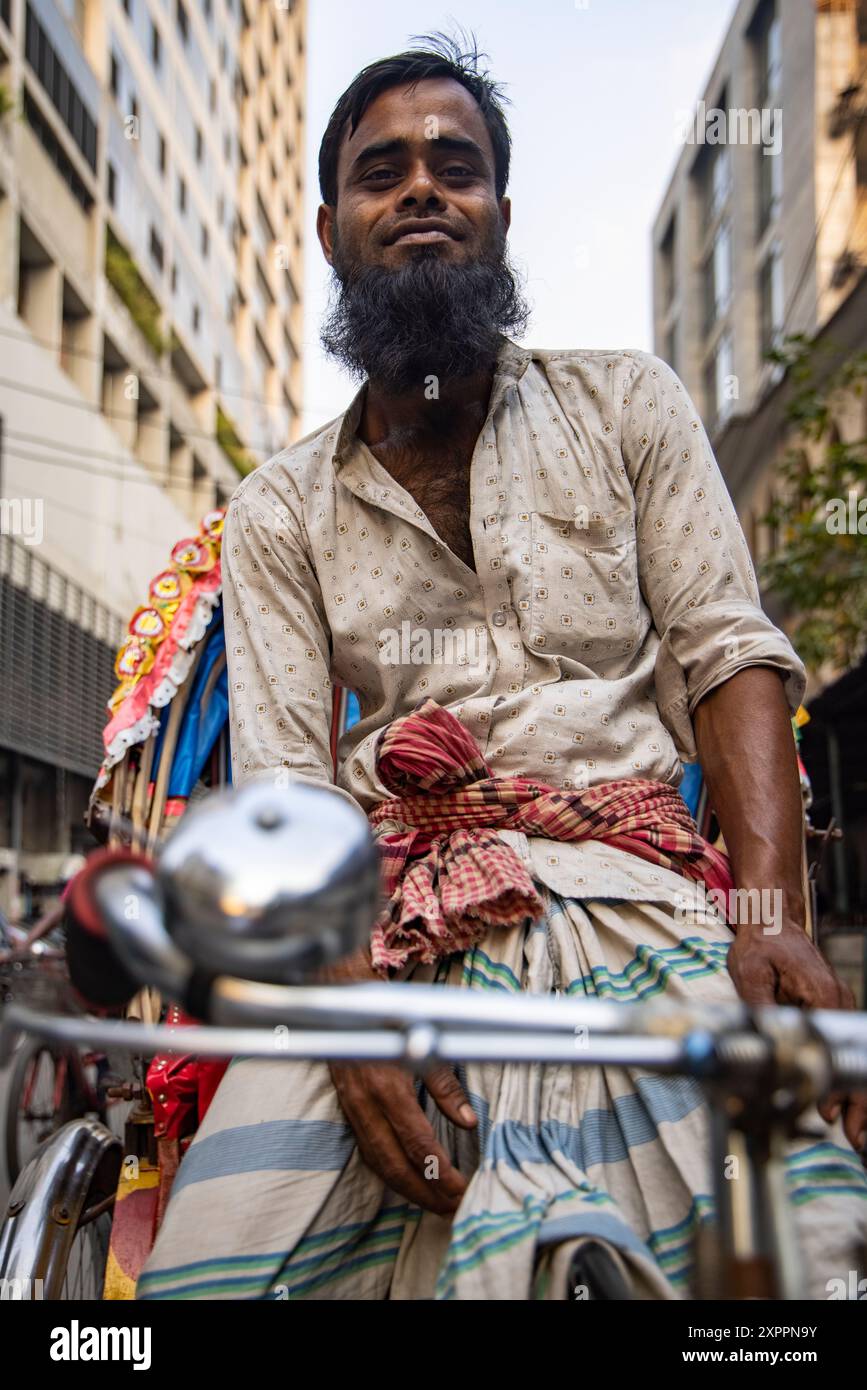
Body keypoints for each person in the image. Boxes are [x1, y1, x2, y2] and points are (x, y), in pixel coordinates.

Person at [137, 32, 867, 1300]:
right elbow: (290, 785)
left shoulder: (629, 406)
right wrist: (354, 1016)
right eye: (382, 172)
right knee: (212, 1264)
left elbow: (731, 653)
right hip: (387, 929)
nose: (420, 188)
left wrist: (773, 920)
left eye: (453, 166)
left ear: (501, 214)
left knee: (804, 1251)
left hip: (639, 893)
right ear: (328, 228)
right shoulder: (275, 511)